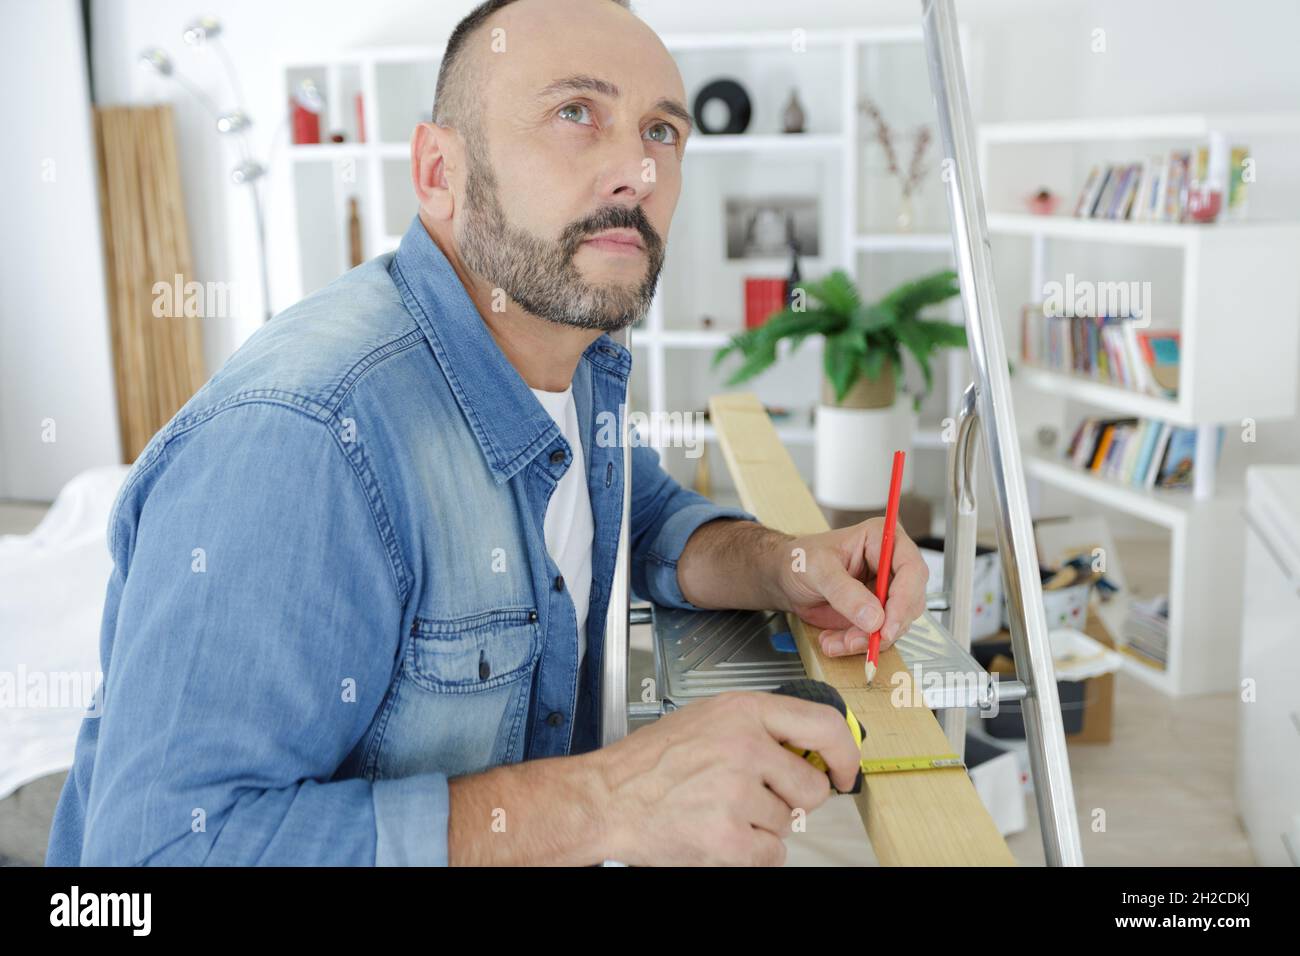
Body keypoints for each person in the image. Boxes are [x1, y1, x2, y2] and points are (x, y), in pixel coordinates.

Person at [47, 0, 928, 867]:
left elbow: (633, 514)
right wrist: (611, 799)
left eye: (662, 131)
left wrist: (782, 562)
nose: (638, 171)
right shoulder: (304, 441)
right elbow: (151, 859)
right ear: (438, 172)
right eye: (575, 113)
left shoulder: (567, 353)